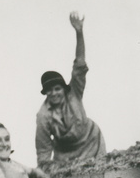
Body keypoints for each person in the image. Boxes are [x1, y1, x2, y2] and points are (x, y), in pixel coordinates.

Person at [35, 11, 106, 169]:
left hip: (91, 142)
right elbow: (43, 148)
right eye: (49, 91)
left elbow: (79, 64)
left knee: (100, 174)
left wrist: (79, 32)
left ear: (64, 88)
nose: (54, 93)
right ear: (45, 93)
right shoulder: (43, 115)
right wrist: (44, 169)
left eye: (57, 88)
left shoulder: (74, 92)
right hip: (65, 154)